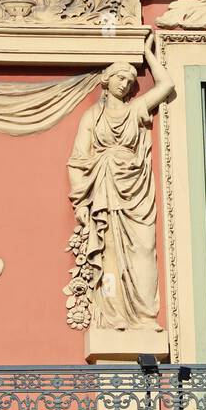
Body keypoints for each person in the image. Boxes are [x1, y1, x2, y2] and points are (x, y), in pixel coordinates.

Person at [66, 44, 175, 330]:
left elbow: (166, 85)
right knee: (110, 253)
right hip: (104, 187)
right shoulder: (92, 117)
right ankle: (115, 316)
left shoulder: (136, 108)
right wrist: (80, 204)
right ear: (107, 79)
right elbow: (77, 160)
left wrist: (148, 54)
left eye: (129, 80)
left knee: (143, 249)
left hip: (135, 190)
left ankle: (144, 315)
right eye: (120, 77)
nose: (125, 83)